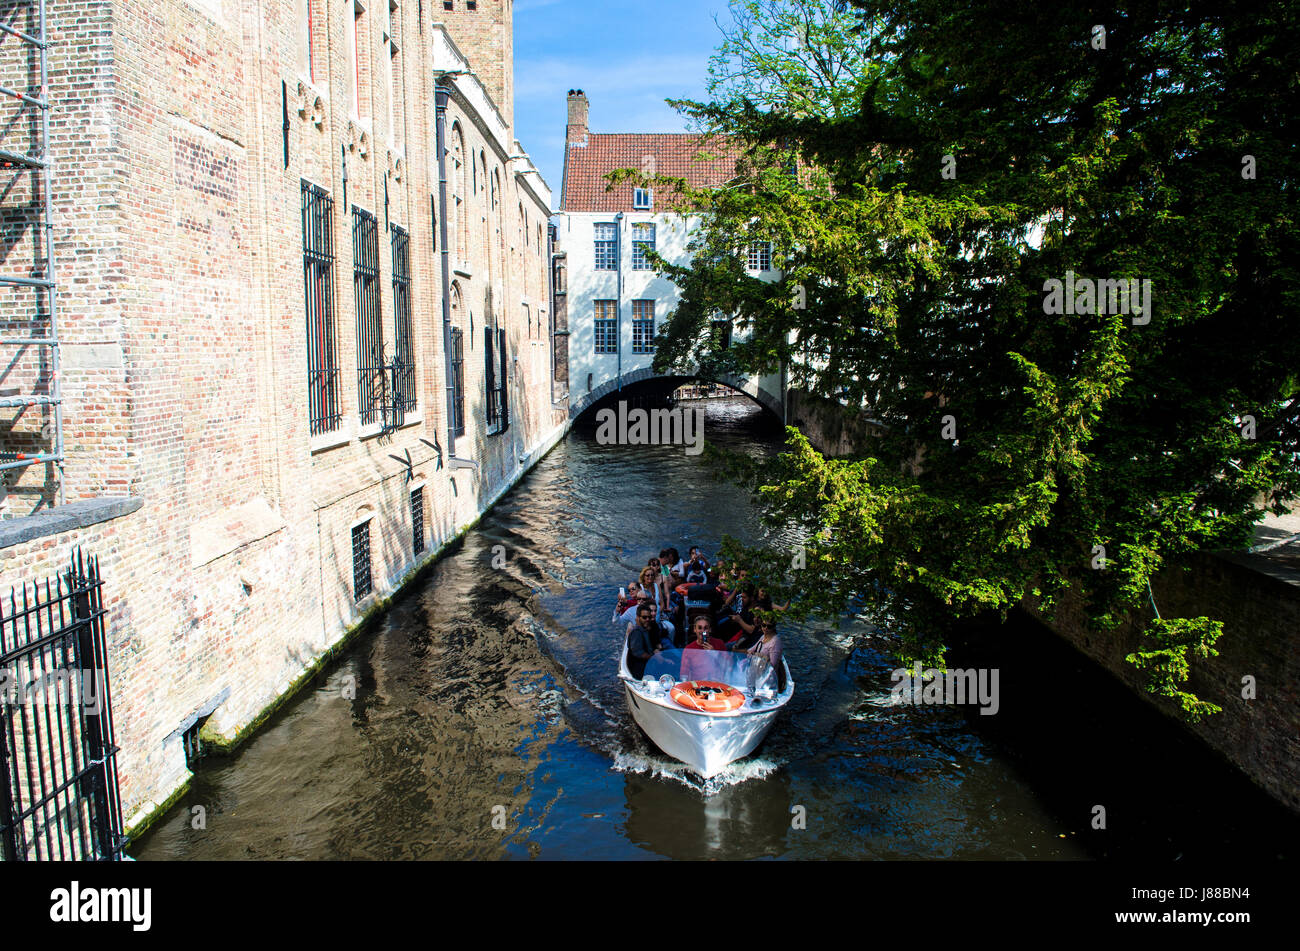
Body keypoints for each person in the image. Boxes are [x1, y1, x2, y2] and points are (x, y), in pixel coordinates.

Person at [627, 603, 673, 680]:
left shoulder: (646, 630)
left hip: (649, 664)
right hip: (641, 669)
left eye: (649, 617)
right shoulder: (637, 632)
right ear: (638, 618)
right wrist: (657, 658)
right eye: (644, 617)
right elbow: (640, 653)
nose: (647, 619)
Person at [681, 616, 727, 681]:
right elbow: (684, 674)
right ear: (695, 629)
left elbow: (728, 667)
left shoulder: (719, 643)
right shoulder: (689, 649)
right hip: (698, 686)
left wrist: (715, 653)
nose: (703, 631)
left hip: (717, 684)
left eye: (705, 628)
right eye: (700, 628)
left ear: (710, 629)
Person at [747, 620, 785, 692]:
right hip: (756, 671)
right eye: (763, 625)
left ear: (774, 627)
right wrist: (753, 654)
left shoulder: (775, 642)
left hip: (767, 678)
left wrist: (758, 656)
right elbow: (750, 650)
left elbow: (772, 665)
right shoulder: (763, 637)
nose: (765, 628)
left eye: (769, 626)